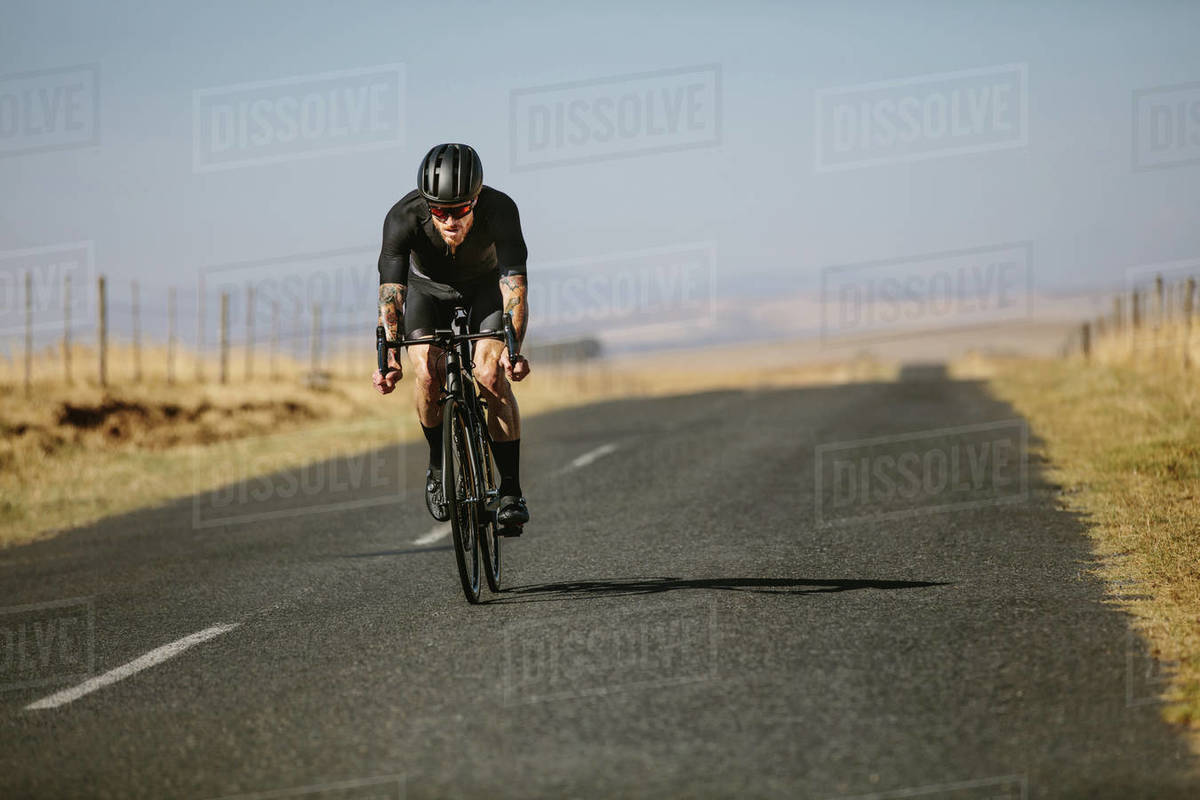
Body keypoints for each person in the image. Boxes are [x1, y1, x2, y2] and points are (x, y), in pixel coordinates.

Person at [372, 143, 531, 534]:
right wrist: (389, 357)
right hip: (427, 291)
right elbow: (392, 293)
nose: (449, 220)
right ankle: (439, 465)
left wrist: (514, 351)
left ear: (476, 199)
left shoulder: (501, 210)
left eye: (459, 209)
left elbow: (515, 291)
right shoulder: (402, 217)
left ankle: (510, 490)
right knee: (426, 371)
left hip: (484, 289)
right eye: (439, 211)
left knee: (490, 374)